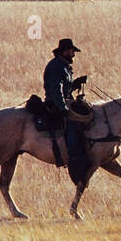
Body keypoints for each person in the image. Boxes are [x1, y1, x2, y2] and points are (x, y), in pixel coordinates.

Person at [43, 38, 88, 181]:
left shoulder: (63, 66)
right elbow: (56, 90)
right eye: (72, 51)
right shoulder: (56, 66)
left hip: (63, 102)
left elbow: (65, 89)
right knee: (73, 124)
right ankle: (73, 156)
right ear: (65, 51)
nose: (73, 54)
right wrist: (62, 108)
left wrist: (76, 84)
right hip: (55, 105)